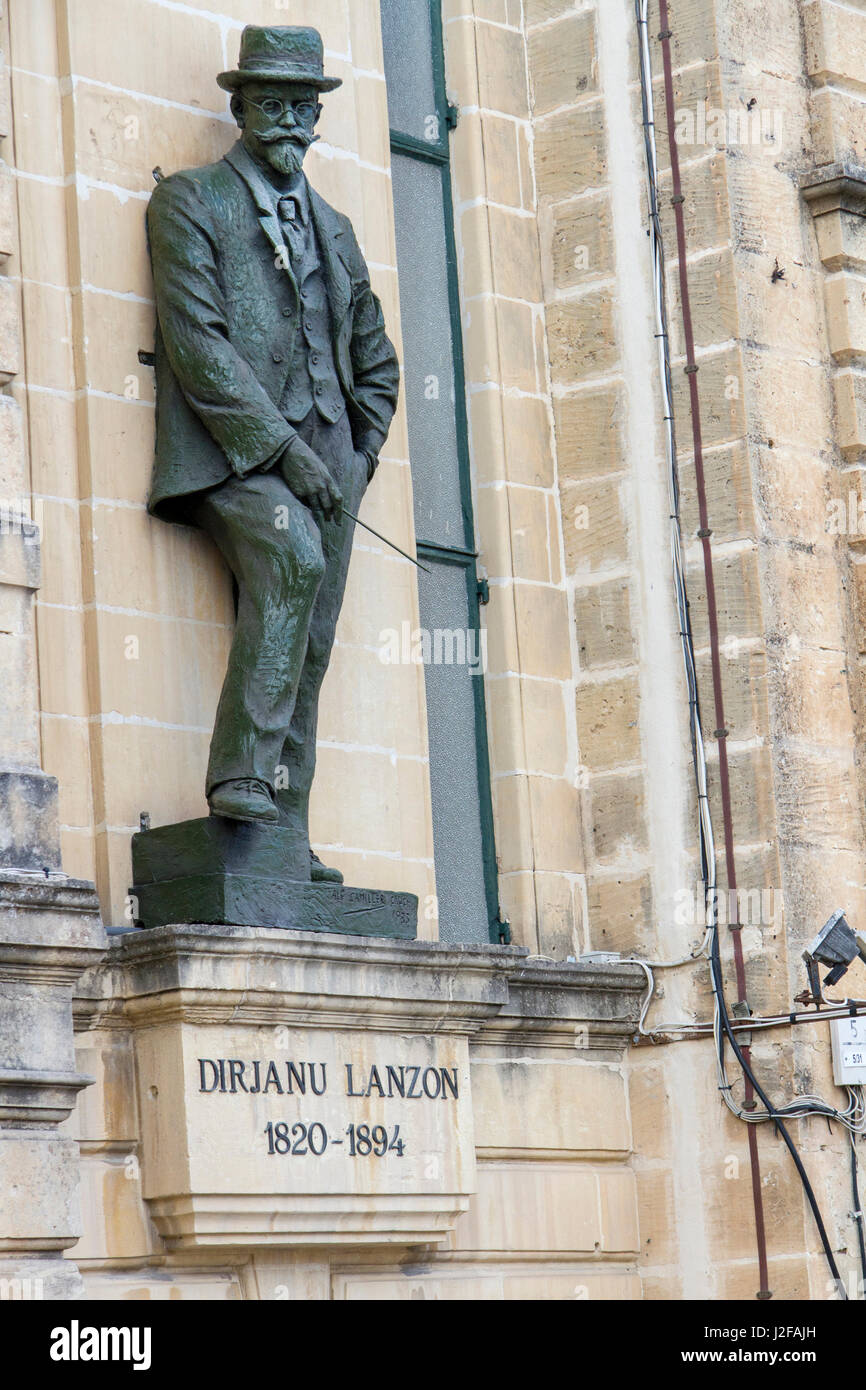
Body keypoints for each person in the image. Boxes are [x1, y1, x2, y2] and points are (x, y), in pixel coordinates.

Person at [146, 26, 400, 883]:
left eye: (305, 106)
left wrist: (360, 451)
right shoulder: (190, 201)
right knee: (289, 563)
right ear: (240, 107)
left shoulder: (334, 225)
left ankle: (284, 838)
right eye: (273, 103)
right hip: (238, 453)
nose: (291, 120)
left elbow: (377, 360)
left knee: (316, 645)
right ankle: (239, 777)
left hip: (334, 459)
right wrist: (288, 452)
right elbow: (200, 347)